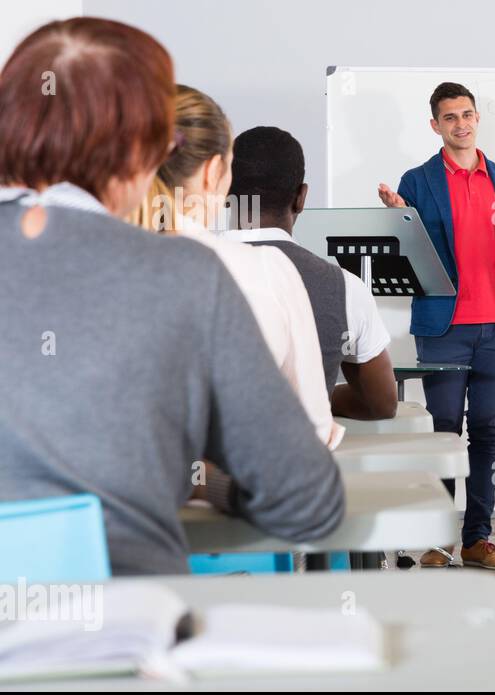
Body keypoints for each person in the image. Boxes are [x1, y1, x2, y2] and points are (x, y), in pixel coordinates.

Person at [0, 18, 344, 575]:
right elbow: (307, 501)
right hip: (122, 632)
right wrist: (201, 476)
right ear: (141, 149)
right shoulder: (188, 275)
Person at [377, 82, 495, 570]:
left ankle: (477, 538)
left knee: (488, 432)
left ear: (477, 117)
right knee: (444, 432)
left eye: (467, 114)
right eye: (450, 118)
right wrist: (399, 220)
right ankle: (439, 540)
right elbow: (410, 254)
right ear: (435, 125)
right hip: (444, 327)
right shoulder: (418, 180)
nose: (461, 124)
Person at [143, 85, 340, 448]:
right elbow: (310, 433)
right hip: (236, 499)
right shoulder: (266, 272)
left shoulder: (87, 269)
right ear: (214, 171)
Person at [225, 126, 398, 421]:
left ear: (225, 191)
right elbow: (380, 404)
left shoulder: (180, 272)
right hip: (300, 464)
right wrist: (308, 397)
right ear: (301, 197)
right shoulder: (346, 287)